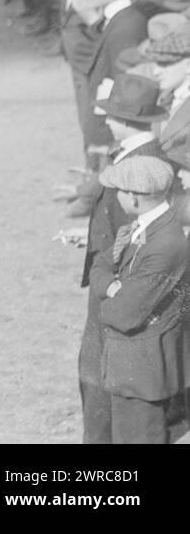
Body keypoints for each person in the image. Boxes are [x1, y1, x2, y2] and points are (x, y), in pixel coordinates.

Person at [85, 156, 188, 444]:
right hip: (132, 366)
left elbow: (124, 314)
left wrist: (112, 292)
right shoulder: (141, 227)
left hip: (143, 370)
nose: (115, 195)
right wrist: (113, 286)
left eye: (118, 189)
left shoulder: (165, 243)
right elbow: (100, 265)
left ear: (134, 197)